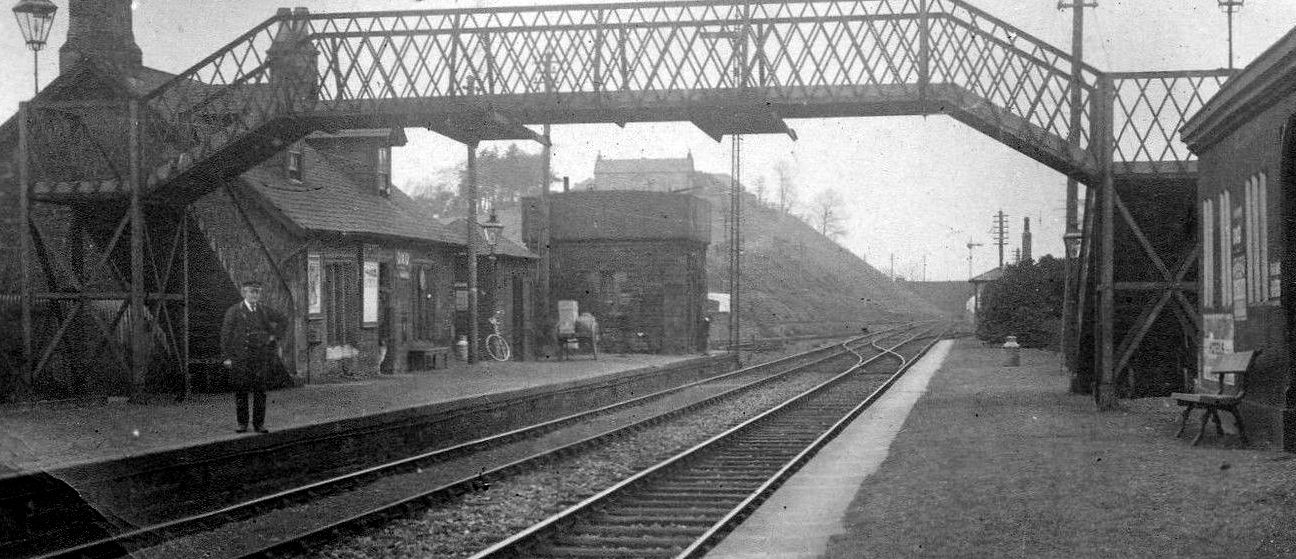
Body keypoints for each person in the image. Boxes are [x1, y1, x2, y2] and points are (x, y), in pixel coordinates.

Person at [221, 280, 286, 434]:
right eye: (251, 292)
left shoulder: (263, 310)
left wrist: (274, 337)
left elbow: (283, 319)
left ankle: (259, 424)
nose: (254, 295)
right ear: (244, 293)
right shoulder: (234, 311)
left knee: (260, 391)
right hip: (241, 357)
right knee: (241, 390)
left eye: (257, 292)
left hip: (260, 357)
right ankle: (242, 423)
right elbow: (225, 335)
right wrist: (226, 357)